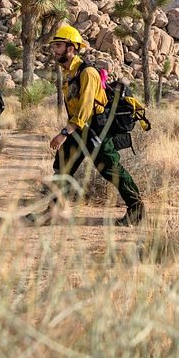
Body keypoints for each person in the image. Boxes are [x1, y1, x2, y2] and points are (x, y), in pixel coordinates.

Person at [36, 24, 144, 226]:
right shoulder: (70, 73)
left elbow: (85, 108)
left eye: (58, 46)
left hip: (95, 129)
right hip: (79, 129)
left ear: (71, 48)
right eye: (55, 46)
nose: (55, 50)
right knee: (63, 165)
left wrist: (65, 132)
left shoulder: (88, 73)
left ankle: (137, 209)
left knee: (111, 169)